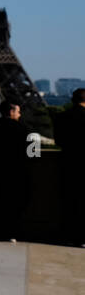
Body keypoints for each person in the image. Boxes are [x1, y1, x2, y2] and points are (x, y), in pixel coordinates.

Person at [0, 100, 31, 242]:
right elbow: (34, 153)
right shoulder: (24, 128)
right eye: (18, 112)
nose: (20, 115)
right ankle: (13, 232)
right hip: (18, 171)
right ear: (11, 112)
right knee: (17, 203)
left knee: (0, 202)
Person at [56, 88, 85, 246]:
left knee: (69, 201)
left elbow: (58, 141)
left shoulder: (61, 117)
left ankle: (69, 234)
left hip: (68, 164)